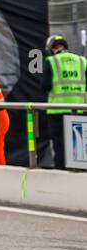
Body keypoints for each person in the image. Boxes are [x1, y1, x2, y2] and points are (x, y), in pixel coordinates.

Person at [44, 34, 87, 169]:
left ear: (51, 49)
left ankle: (61, 171)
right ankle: (79, 170)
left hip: (57, 110)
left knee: (60, 145)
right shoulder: (82, 61)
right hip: (79, 109)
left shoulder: (51, 61)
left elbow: (45, 86)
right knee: (78, 144)